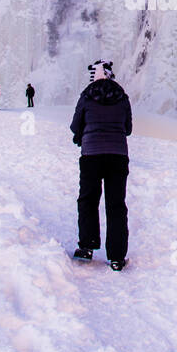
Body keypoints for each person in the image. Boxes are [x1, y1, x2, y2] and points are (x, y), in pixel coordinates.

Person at [70, 60, 132, 271]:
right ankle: (116, 257)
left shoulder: (87, 95)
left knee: (88, 199)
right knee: (116, 205)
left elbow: (75, 124)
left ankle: (86, 247)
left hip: (91, 155)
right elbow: (128, 128)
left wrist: (85, 133)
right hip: (117, 155)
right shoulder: (122, 97)